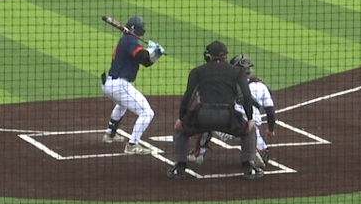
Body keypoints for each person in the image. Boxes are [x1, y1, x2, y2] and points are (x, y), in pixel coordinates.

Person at [166, 41, 264, 179]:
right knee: (250, 130)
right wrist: (249, 119)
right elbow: (245, 97)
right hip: (227, 117)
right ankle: (249, 167)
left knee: (180, 130)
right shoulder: (237, 72)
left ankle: (179, 167)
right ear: (226, 55)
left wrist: (182, 119)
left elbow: (189, 97)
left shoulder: (198, 71)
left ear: (209, 55)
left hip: (203, 116)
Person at [188, 54, 276, 166]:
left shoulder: (228, 83)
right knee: (263, 150)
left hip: (230, 127)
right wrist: (271, 129)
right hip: (251, 130)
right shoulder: (261, 86)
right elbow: (270, 111)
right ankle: (254, 152)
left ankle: (198, 154)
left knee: (206, 119)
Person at [101, 16, 165, 155]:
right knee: (147, 113)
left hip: (110, 85)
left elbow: (146, 62)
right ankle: (132, 145)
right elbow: (142, 55)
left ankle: (110, 134)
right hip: (119, 86)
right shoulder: (130, 40)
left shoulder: (128, 40)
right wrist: (149, 50)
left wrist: (156, 54)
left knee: (122, 104)